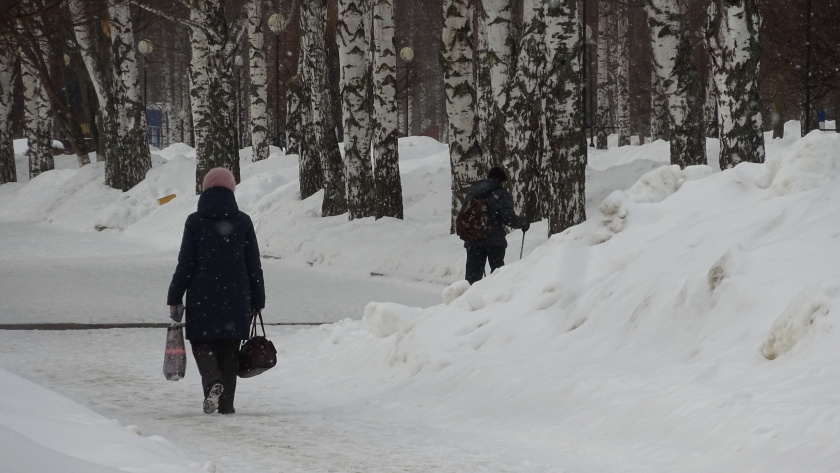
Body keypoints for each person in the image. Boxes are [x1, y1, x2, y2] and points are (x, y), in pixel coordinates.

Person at [167, 167, 265, 415]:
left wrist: (174, 296)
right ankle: (226, 405)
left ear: (204, 189)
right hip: (237, 295)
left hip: (202, 295)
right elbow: (254, 264)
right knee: (230, 349)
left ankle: (212, 381)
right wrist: (258, 299)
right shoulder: (243, 221)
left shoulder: (194, 221)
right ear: (231, 189)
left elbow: (185, 263)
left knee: (203, 343)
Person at [463, 166, 529, 284]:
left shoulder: (473, 192)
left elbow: (463, 214)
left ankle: (467, 300)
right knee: (497, 276)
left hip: (473, 239)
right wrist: (522, 223)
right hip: (494, 240)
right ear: (501, 181)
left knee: (472, 279)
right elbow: (508, 218)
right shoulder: (501, 194)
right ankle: (496, 299)